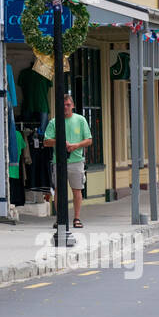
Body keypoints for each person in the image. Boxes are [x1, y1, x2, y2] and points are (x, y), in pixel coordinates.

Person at [43, 94, 92, 229]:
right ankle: (61, 218)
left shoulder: (80, 120)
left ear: (73, 106)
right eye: (63, 105)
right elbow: (46, 141)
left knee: (77, 190)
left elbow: (89, 140)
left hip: (76, 160)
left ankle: (77, 218)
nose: (65, 107)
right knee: (58, 190)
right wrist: (60, 141)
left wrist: (76, 145)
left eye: (68, 105)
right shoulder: (54, 122)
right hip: (58, 161)